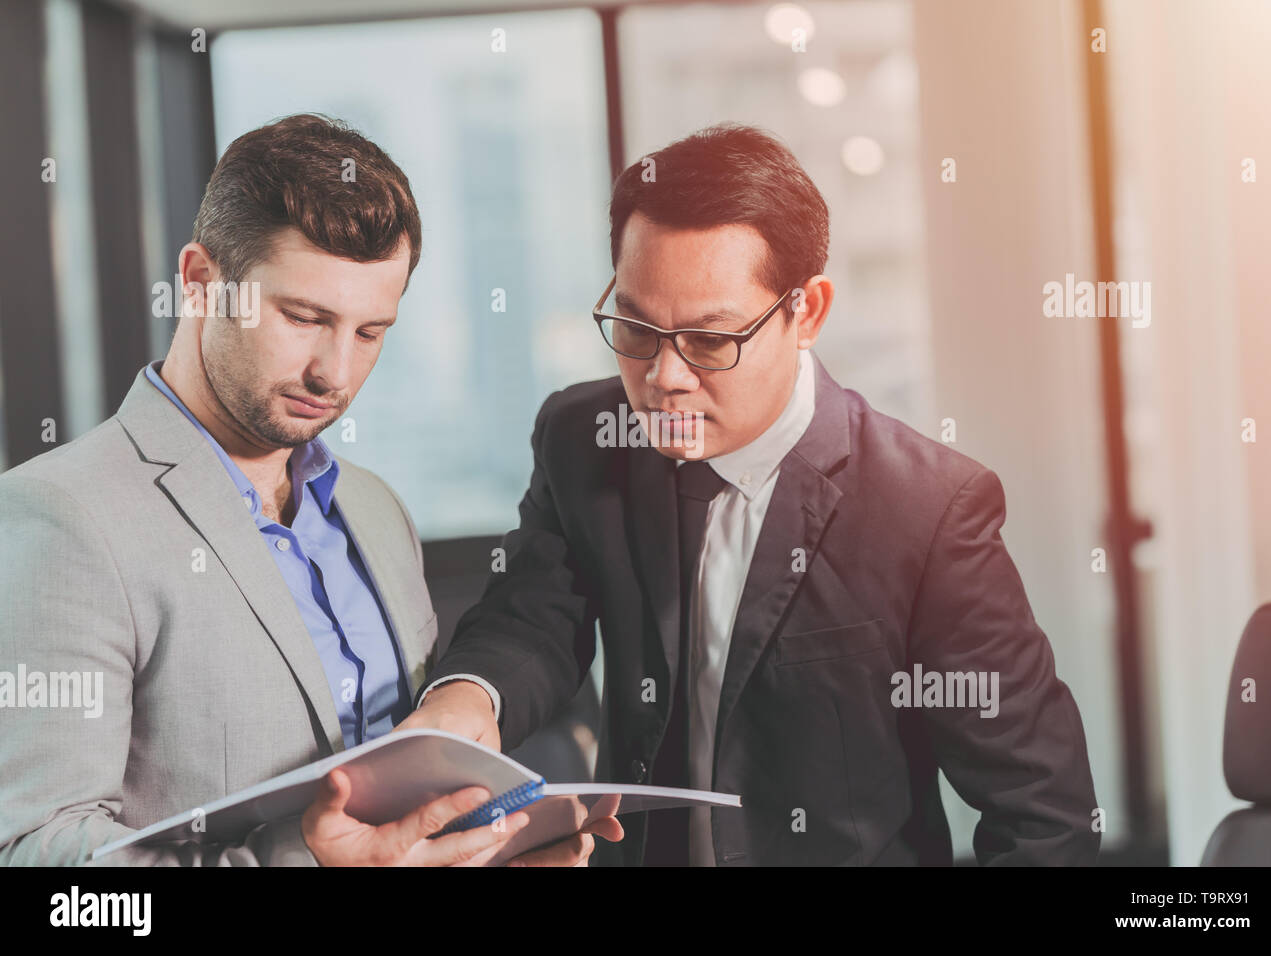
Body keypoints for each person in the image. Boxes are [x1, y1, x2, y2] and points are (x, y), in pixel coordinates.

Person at [404, 123, 1102, 866]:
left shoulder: (926, 511)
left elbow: (1042, 813)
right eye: (636, 327)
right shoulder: (585, 438)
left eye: (710, 341)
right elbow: (532, 618)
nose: (665, 378)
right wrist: (465, 701)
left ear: (808, 313)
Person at [0, 114, 616, 866]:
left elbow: (402, 820)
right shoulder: (59, 519)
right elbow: (40, 864)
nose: (336, 373)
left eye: (369, 332)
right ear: (200, 282)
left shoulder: (376, 510)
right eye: (303, 317)